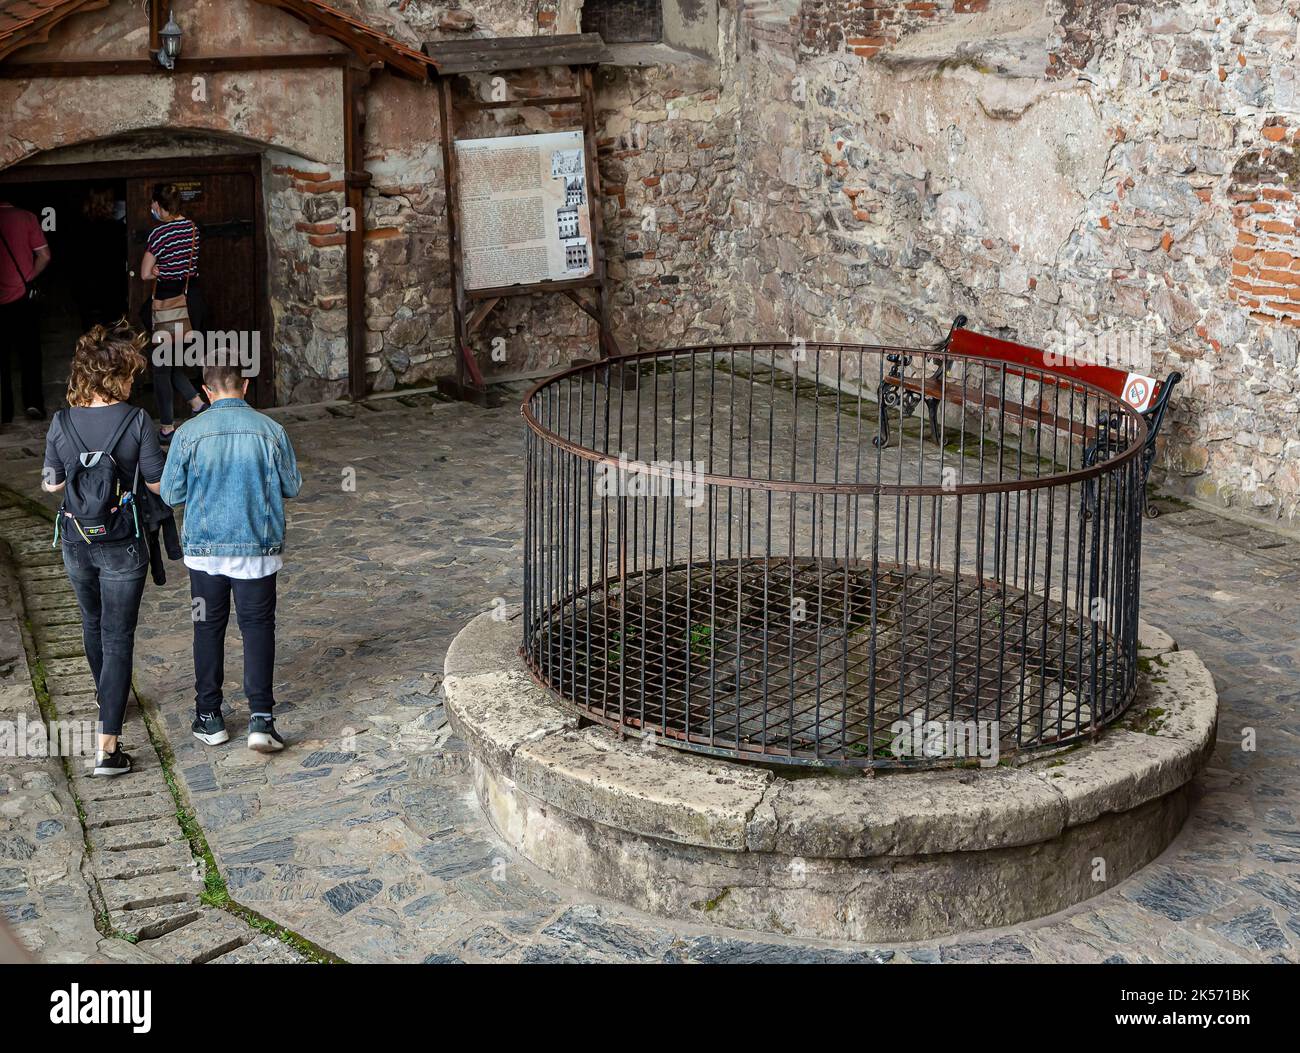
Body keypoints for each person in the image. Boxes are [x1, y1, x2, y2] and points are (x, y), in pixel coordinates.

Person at [42, 322, 164, 777]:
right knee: (118, 635)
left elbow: (52, 484)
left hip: (76, 541)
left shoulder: (61, 422)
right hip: (123, 544)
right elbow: (158, 484)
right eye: (130, 374)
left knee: (92, 622)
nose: (133, 382)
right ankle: (107, 747)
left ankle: (106, 695)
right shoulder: (137, 420)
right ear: (116, 376)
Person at [161, 362, 301, 754]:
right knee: (258, 627)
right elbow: (292, 485)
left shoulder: (188, 433)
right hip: (257, 549)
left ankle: (210, 717)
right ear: (246, 385)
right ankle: (262, 720)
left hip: (205, 554)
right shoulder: (271, 430)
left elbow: (171, 494)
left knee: (207, 628)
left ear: (206, 391)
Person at [140, 183, 206, 444]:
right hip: (190, 302)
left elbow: (145, 273)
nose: (151, 207)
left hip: (168, 302)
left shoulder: (159, 233)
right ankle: (197, 403)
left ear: (159, 205)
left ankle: (167, 428)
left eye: (153, 203)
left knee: (160, 367)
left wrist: (157, 271)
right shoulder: (193, 229)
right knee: (169, 362)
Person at [0, 197, 51, 424]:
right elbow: (45, 255)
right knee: (29, 352)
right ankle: (33, 402)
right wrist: (28, 277)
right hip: (22, 296)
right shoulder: (27, 217)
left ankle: (4, 410)